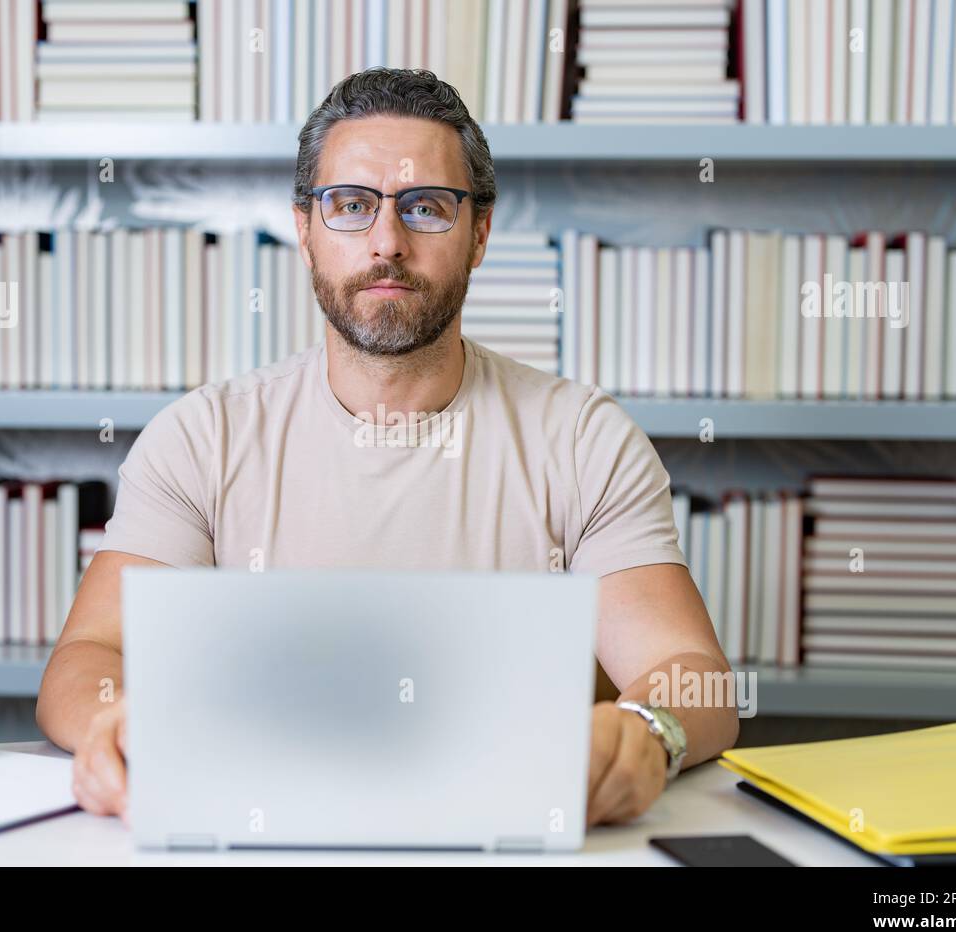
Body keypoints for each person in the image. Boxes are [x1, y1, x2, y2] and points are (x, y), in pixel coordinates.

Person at [37, 67, 738, 829]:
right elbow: (87, 659)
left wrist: (649, 733)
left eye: (427, 208)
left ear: (479, 235)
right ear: (304, 231)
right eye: (350, 206)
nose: (386, 242)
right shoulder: (202, 438)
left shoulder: (585, 439)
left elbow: (692, 675)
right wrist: (117, 725)